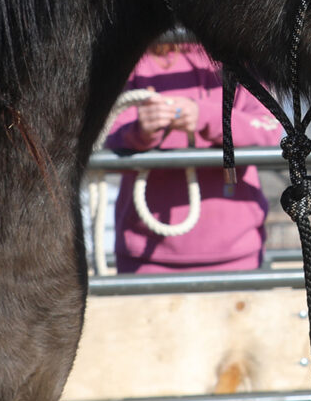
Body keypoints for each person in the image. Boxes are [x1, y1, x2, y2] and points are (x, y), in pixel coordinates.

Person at [106, 39, 285, 274]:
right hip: (146, 258)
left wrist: (205, 116)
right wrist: (140, 130)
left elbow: (268, 129)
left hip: (236, 256)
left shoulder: (240, 59)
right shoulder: (133, 59)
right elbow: (105, 137)